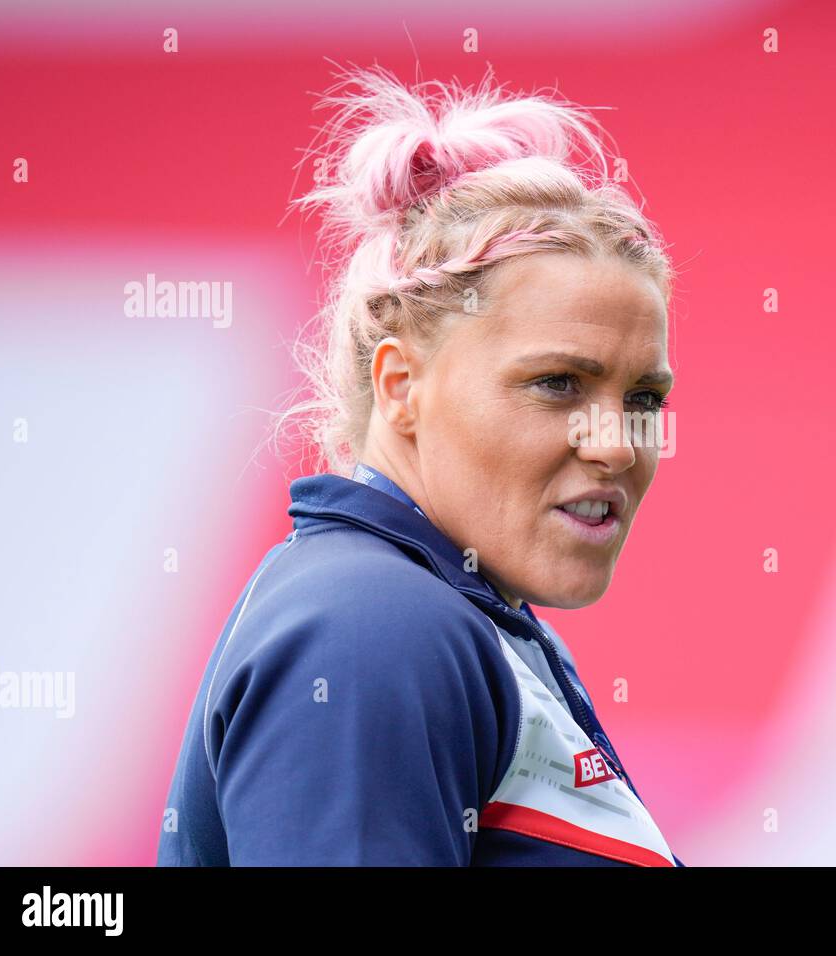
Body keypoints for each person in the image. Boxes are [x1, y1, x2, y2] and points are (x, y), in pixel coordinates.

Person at [156, 63, 682, 866]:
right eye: (557, 384)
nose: (615, 442)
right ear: (401, 387)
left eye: (643, 399)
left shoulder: (454, 619)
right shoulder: (370, 627)